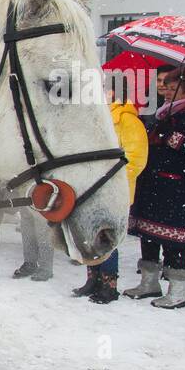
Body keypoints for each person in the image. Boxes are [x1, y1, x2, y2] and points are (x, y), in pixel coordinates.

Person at [123, 69, 185, 308]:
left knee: (173, 237)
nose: (166, 91)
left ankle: (178, 290)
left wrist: (173, 137)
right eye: (165, 86)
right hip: (152, 181)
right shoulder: (161, 111)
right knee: (148, 233)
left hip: (176, 185)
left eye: (173, 89)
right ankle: (150, 282)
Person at [72, 84, 149, 303]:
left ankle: (109, 285)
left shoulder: (128, 120)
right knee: (89, 235)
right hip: (90, 188)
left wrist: (112, 179)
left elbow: (136, 158)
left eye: (105, 90)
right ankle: (93, 278)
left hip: (113, 190)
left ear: (116, 93)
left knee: (107, 237)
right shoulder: (96, 117)